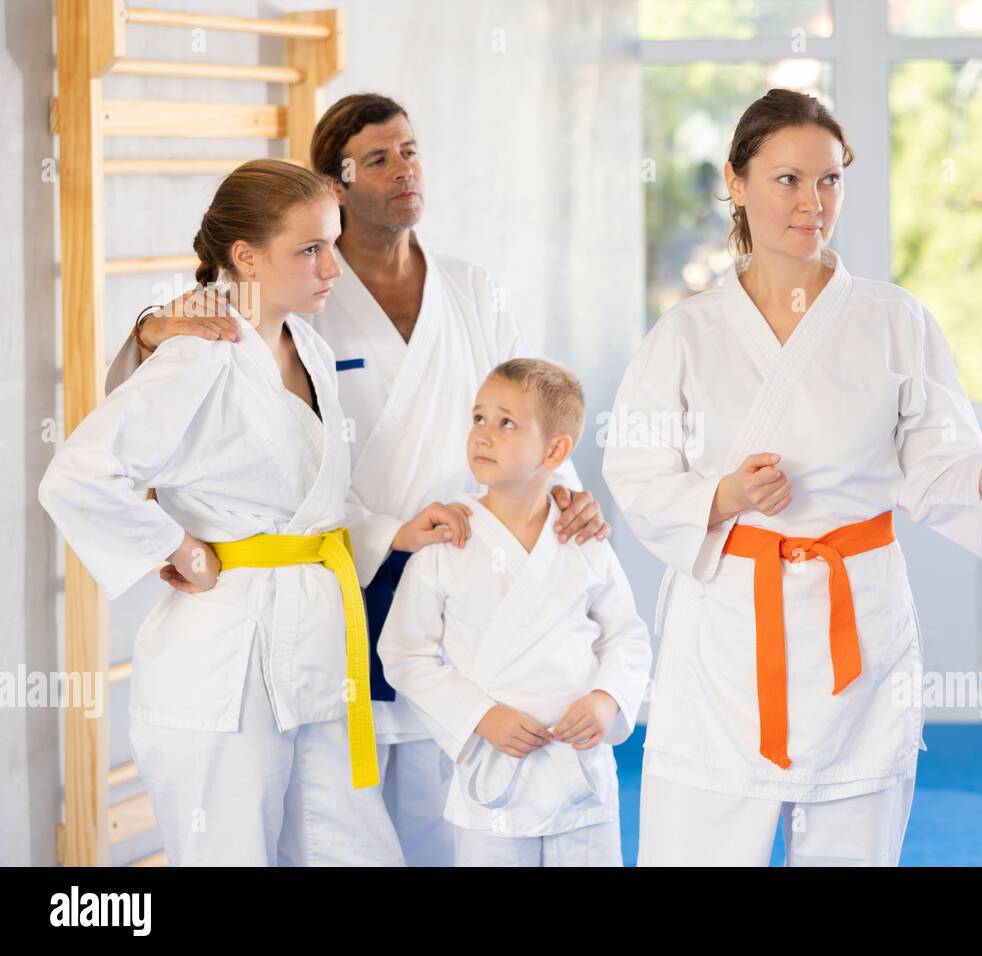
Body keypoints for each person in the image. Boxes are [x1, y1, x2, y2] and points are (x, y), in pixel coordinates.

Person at [103, 94, 609, 865]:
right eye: (378, 158)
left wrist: (558, 488)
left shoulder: (469, 288)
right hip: (353, 570)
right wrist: (146, 327)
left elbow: (527, 405)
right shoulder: (303, 298)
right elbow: (165, 377)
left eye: (411, 150)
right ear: (334, 185)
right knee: (366, 796)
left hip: (469, 560)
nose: (404, 169)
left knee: (457, 791)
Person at [603, 89, 982, 866]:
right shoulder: (686, 333)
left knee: (852, 842)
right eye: (787, 180)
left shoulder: (896, 319)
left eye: (829, 180)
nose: (811, 203)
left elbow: (935, 465)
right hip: (727, 624)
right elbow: (634, 467)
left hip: (854, 620)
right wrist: (725, 495)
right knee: (699, 840)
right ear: (735, 180)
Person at [39, 160, 404, 866]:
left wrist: (393, 531)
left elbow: (309, 504)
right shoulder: (201, 355)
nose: (333, 267)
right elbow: (78, 475)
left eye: (334, 242)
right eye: (310, 249)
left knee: (358, 854)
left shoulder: (314, 348)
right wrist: (173, 544)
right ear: (245, 257)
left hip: (317, 648)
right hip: (223, 660)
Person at [378, 359, 651, 866]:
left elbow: (626, 636)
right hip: (496, 776)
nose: (483, 434)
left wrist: (607, 701)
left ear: (555, 450)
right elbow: (403, 652)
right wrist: (480, 716)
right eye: (478, 418)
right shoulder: (447, 541)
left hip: (580, 777)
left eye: (506, 423)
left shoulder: (582, 538)